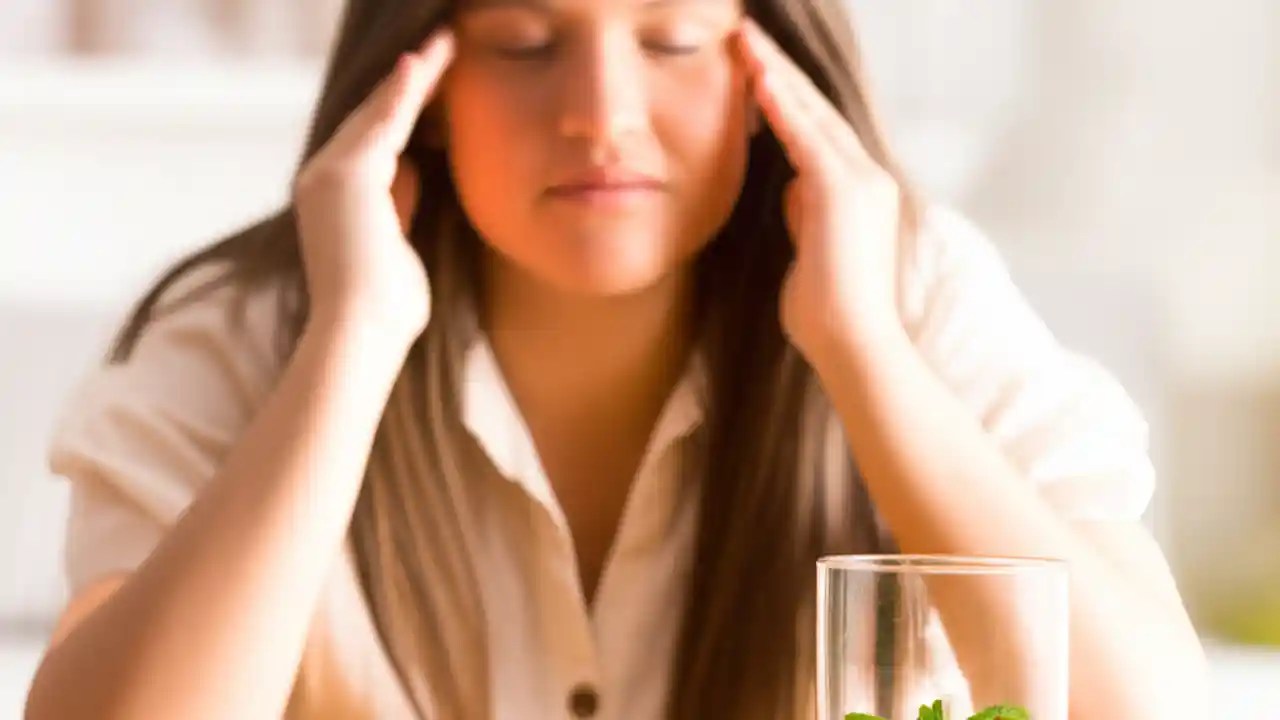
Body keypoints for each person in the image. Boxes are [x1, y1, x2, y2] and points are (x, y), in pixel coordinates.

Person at [25, 0, 1207, 718]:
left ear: (765, 81)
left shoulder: (915, 297)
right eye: (527, 44)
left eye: (675, 40)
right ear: (419, 84)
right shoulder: (249, 339)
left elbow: (1141, 712)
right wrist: (351, 346)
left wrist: (861, 352)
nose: (602, 111)